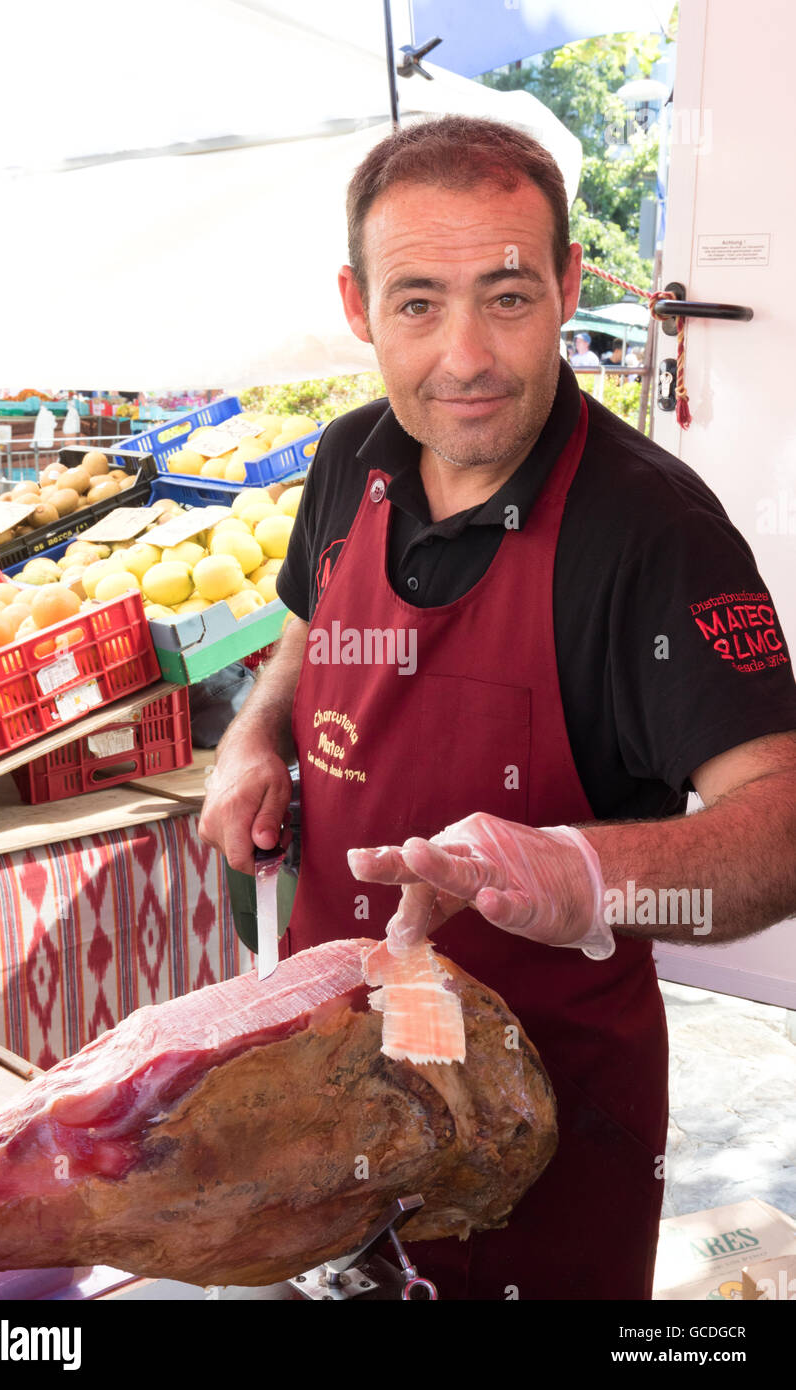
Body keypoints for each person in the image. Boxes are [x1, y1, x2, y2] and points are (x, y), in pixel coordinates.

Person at [198, 114, 796, 1301]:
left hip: (542, 1126)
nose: (466, 355)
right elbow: (304, 639)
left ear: (568, 284)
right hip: (332, 1090)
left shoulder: (653, 537)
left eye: (508, 296)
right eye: (418, 302)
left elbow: (778, 829)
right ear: (358, 305)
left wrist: (575, 874)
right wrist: (255, 737)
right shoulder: (346, 460)